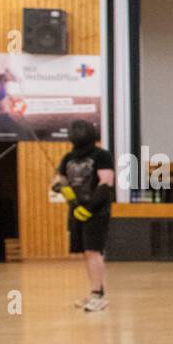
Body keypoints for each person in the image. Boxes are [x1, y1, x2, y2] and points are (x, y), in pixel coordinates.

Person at [52, 119, 115, 311]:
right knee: (85, 252)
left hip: (96, 211)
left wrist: (89, 208)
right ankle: (96, 292)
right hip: (76, 211)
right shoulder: (68, 157)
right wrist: (63, 190)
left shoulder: (101, 155)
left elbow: (106, 183)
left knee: (93, 251)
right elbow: (59, 180)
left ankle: (98, 295)